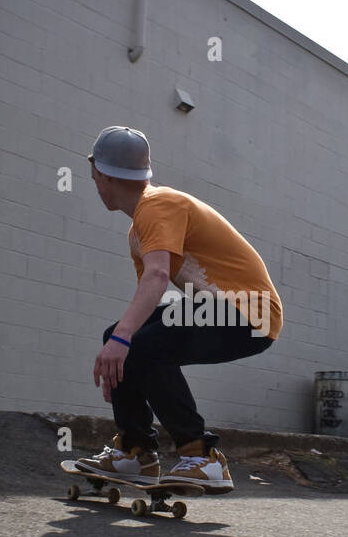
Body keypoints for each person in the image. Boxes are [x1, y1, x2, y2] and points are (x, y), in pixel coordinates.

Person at [77, 127, 283, 490]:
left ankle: (201, 455)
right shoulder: (138, 230)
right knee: (122, 338)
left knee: (138, 344)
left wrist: (126, 344)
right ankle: (135, 450)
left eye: (95, 179)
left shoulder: (159, 204)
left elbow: (157, 276)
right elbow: (149, 291)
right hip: (219, 308)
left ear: (106, 175)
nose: (95, 187)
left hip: (252, 313)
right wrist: (122, 351)